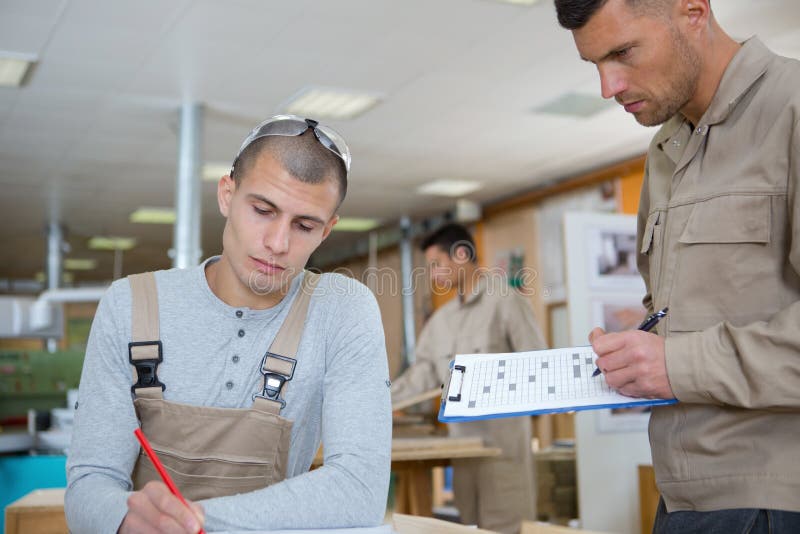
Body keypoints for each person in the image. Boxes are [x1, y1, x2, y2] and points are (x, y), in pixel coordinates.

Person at [65, 115, 392, 533]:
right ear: (226, 195)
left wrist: (194, 522)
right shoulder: (130, 304)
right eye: (263, 210)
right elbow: (89, 486)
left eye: (304, 225)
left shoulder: (341, 309)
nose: (278, 243)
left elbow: (359, 490)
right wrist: (126, 520)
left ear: (327, 231)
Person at [554, 0, 800, 531]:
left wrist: (675, 365)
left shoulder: (793, 109)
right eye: (595, 64)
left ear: (693, 11)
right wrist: (636, 355)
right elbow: (673, 315)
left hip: (774, 499)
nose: (608, 86)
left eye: (623, 52)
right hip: (683, 495)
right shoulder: (665, 149)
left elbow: (681, 357)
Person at [391, 223, 546, 534]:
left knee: (505, 530)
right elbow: (420, 377)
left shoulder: (506, 302)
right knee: (467, 529)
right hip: (463, 453)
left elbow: (538, 367)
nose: (433, 275)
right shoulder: (442, 321)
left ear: (461, 255)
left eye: (436, 264)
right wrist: (376, 401)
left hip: (502, 455)